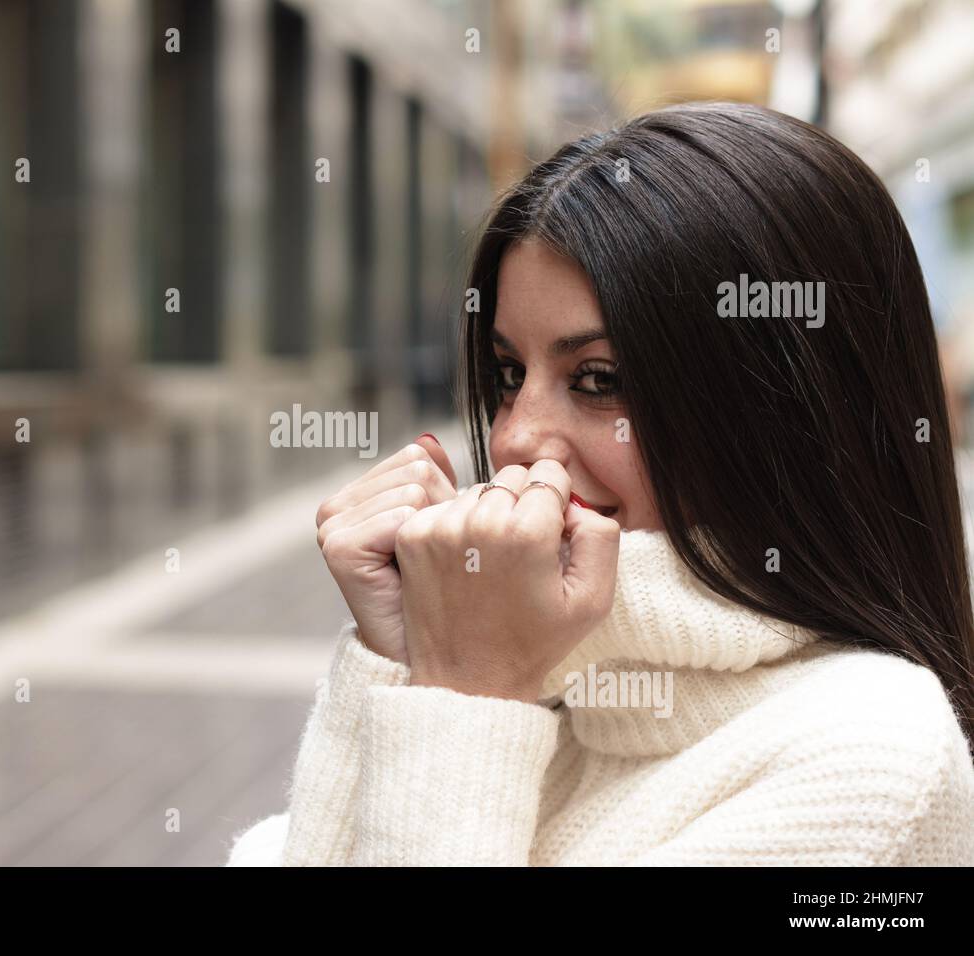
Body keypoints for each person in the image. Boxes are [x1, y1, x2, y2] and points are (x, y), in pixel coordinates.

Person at [226, 101, 974, 866]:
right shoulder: (538, 668)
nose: (514, 436)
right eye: (510, 373)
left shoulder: (873, 755)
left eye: (598, 379)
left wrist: (466, 692)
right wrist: (401, 655)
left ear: (784, 413)